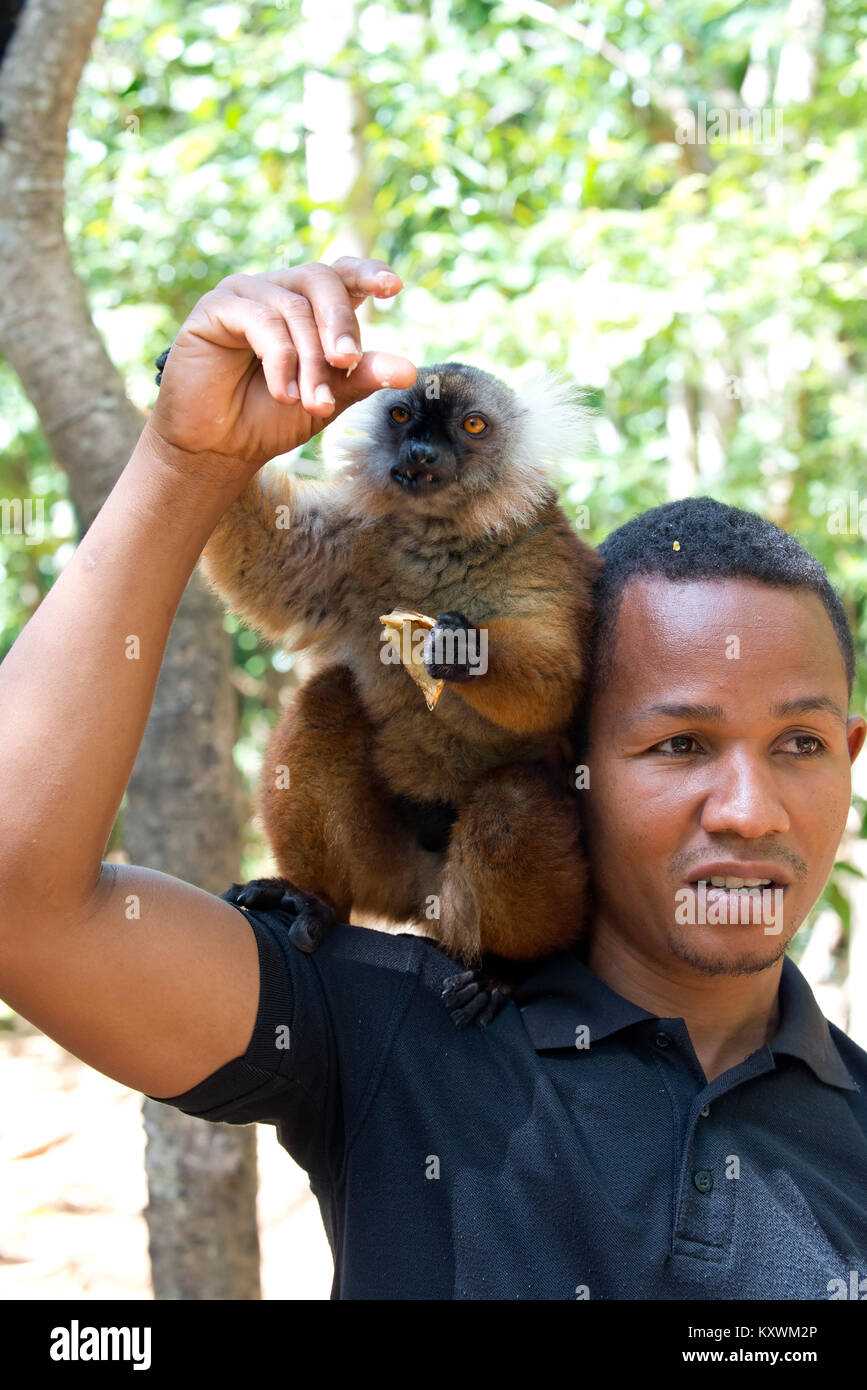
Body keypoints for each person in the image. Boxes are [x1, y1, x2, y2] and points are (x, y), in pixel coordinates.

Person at [0, 260, 865, 1300]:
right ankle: (314, 886)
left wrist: (475, 660)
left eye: (799, 743)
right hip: (393, 860)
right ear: (581, 756)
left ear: (853, 755)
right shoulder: (376, 1029)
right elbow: (18, 894)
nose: (745, 807)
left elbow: (539, 667)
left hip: (493, 882)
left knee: (503, 823)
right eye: (678, 744)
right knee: (323, 707)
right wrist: (191, 459)